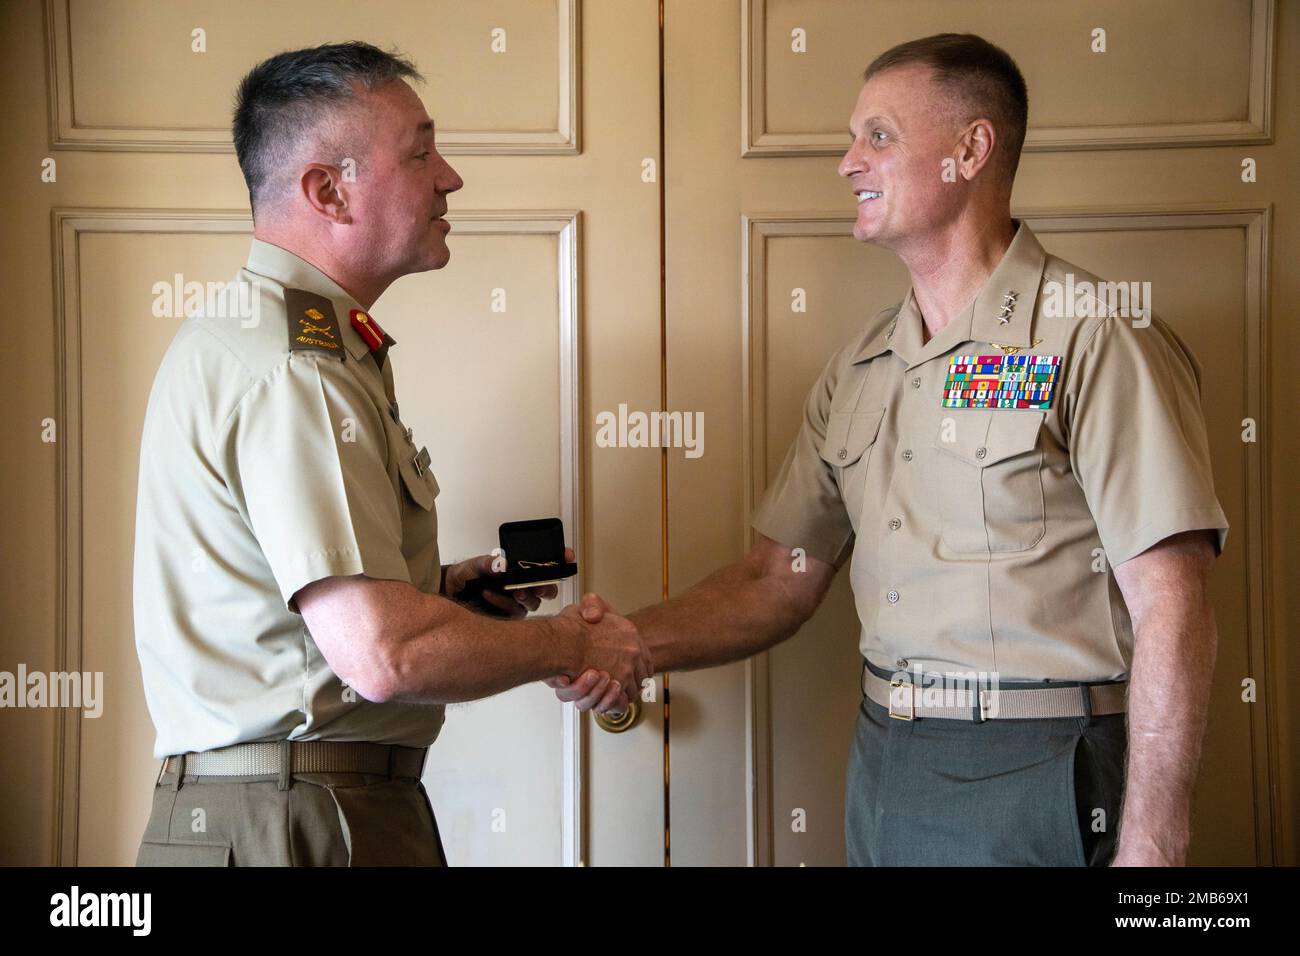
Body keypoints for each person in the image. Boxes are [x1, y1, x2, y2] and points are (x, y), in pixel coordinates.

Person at [557, 33, 1228, 867]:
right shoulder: (863, 366)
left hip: (1043, 770)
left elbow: (1174, 600)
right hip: (886, 765)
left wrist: (1155, 850)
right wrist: (627, 641)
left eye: (877, 135)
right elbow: (777, 579)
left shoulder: (1096, 332)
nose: (846, 163)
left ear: (970, 149)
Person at [133, 41, 650, 867]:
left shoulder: (276, 343)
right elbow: (384, 655)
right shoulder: (299, 370)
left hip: (290, 809)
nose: (450, 177)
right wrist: (574, 646)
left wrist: (436, 596)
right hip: (303, 822)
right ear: (328, 191)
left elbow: (318, 625)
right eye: (421, 151)